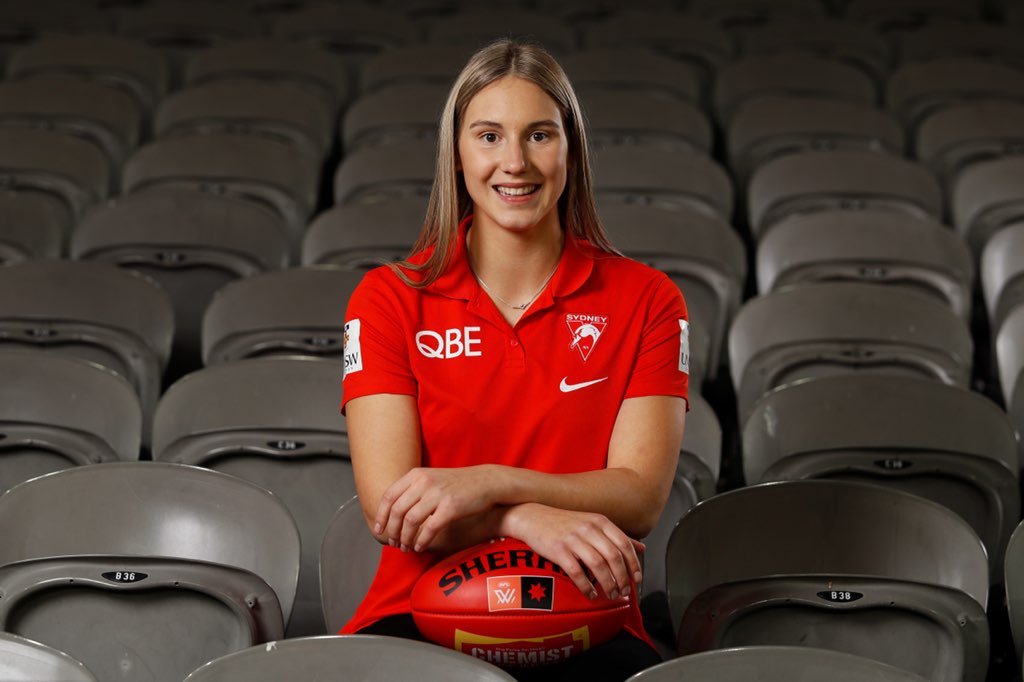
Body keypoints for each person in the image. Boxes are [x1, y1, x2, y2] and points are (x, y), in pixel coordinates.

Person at [339, 38, 689, 681]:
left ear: (571, 150)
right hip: (416, 614)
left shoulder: (649, 298)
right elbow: (390, 509)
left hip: (588, 614)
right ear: (457, 153)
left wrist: (488, 482)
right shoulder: (388, 297)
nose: (516, 162)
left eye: (540, 135)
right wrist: (525, 518)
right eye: (489, 136)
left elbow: (639, 497)